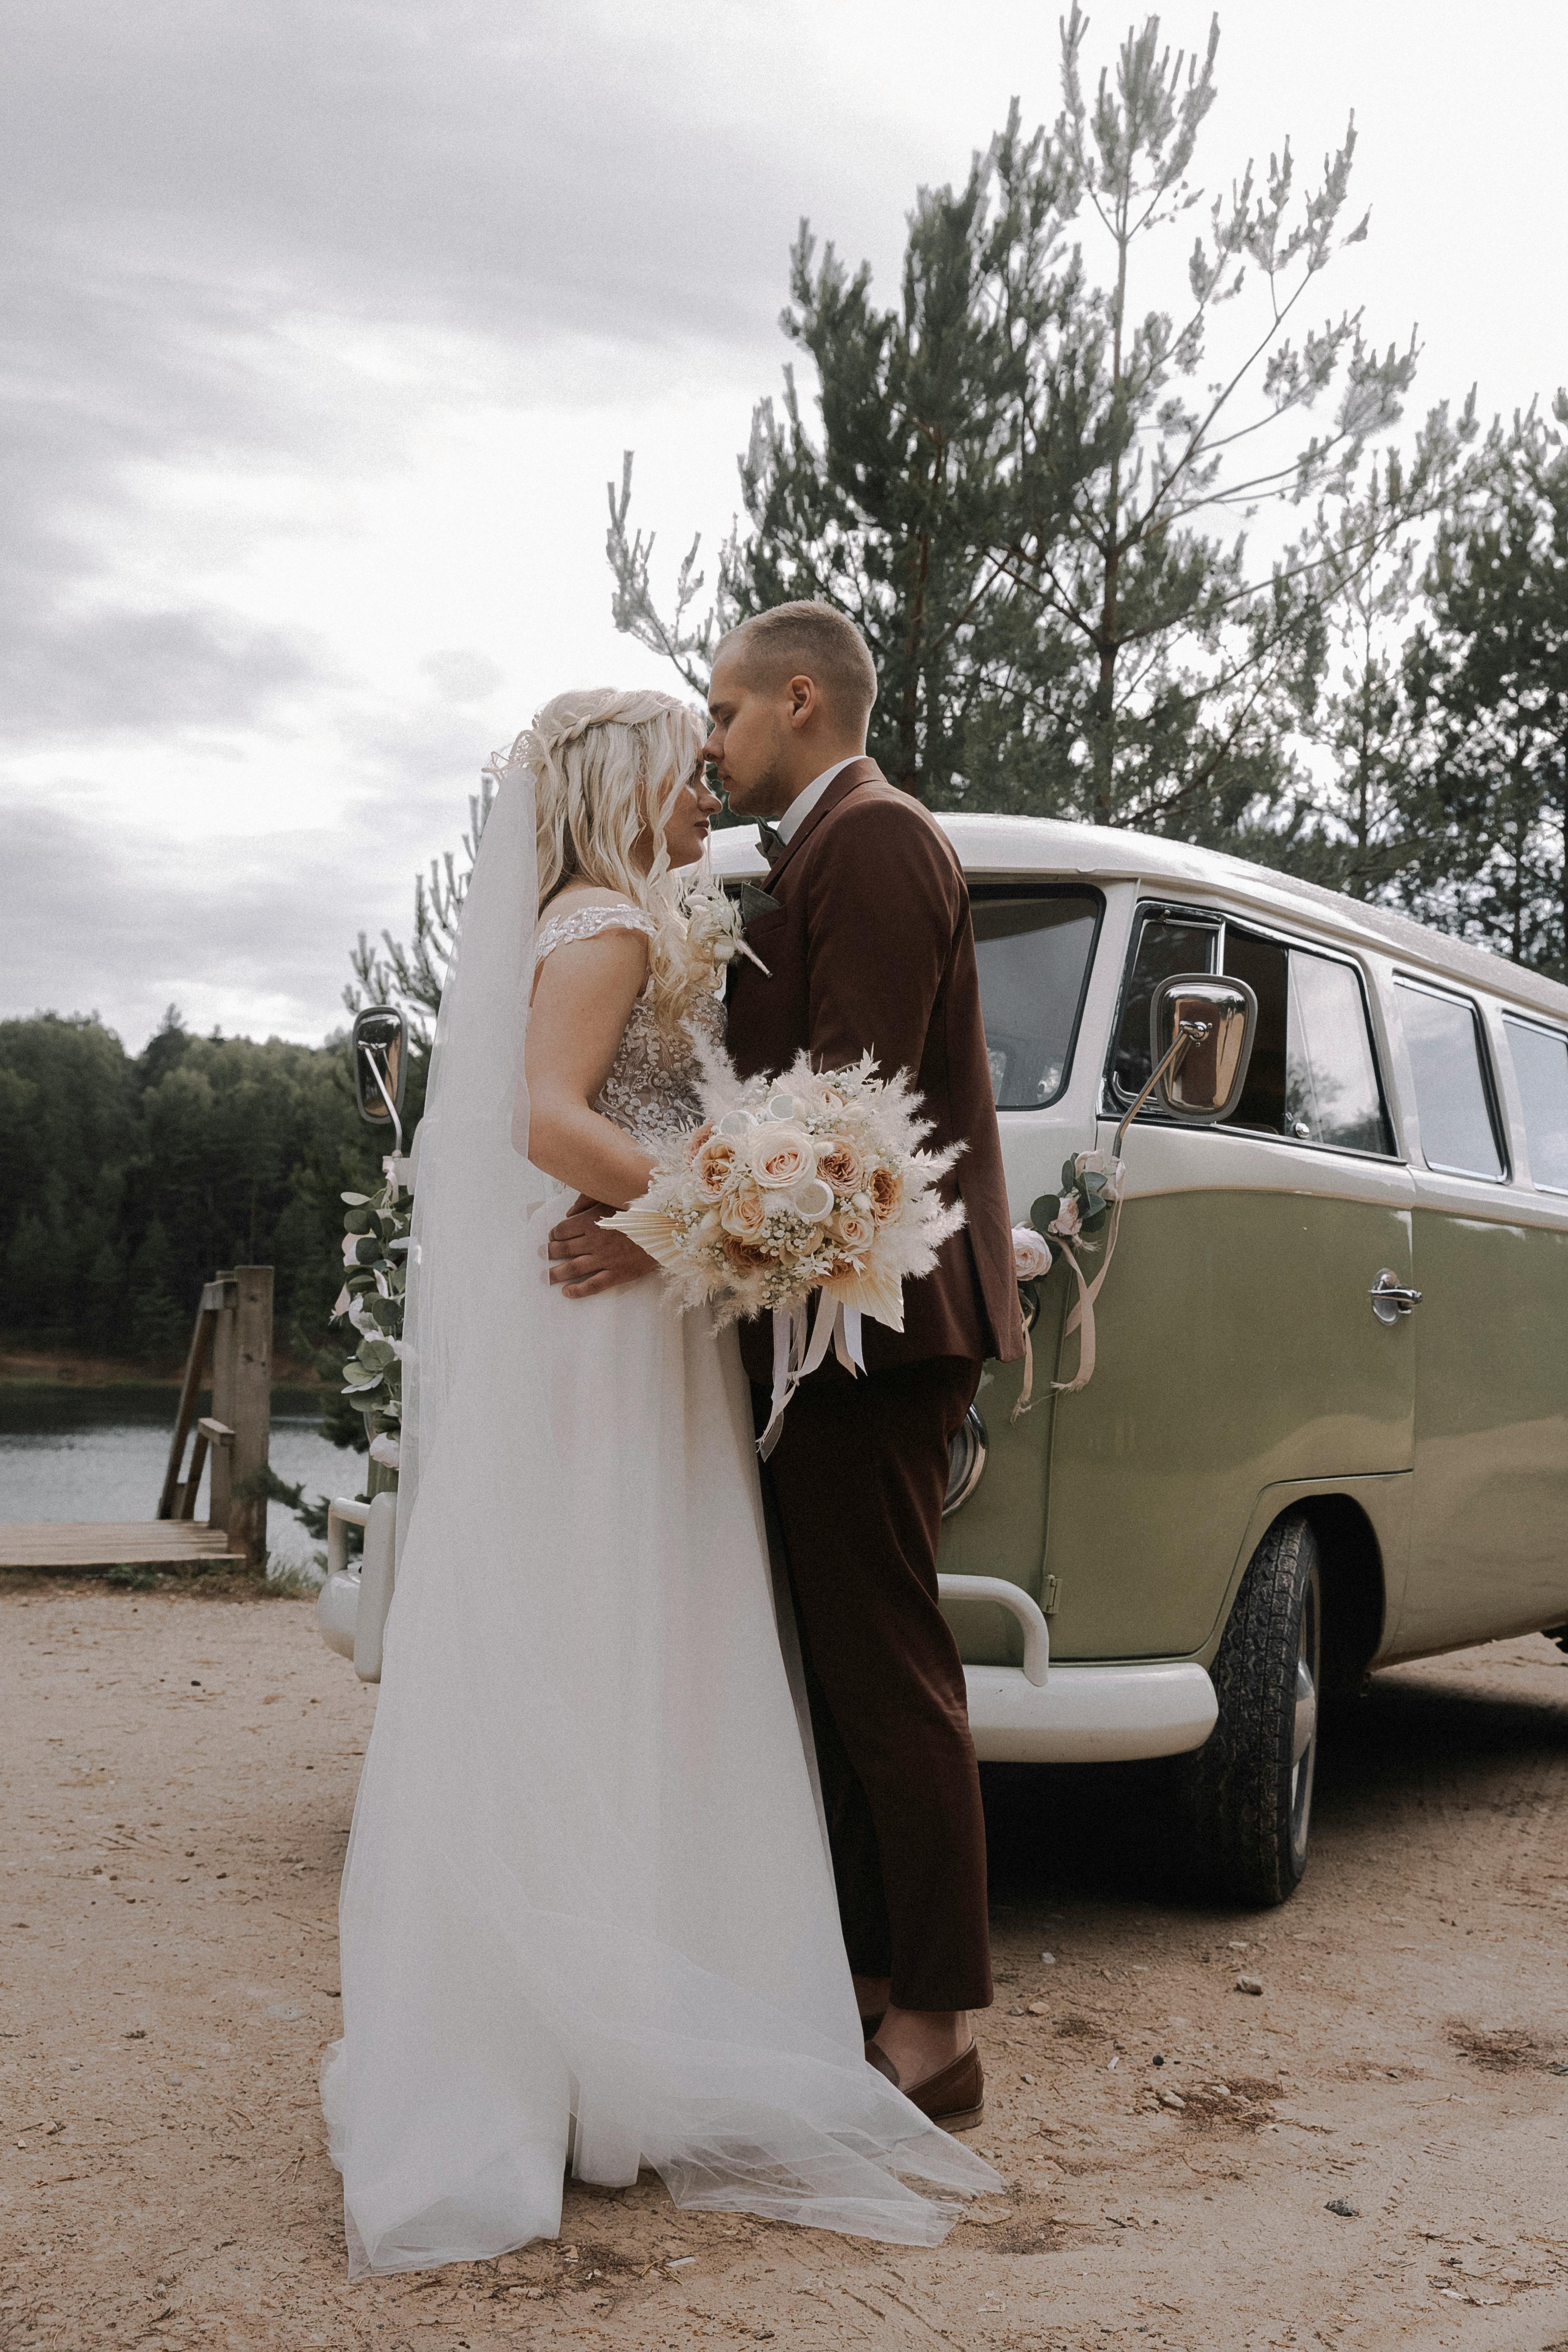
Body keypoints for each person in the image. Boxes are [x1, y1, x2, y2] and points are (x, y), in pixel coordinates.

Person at [322, 686, 997, 2279]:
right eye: (684, 772)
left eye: (715, 759)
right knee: (605, 1639)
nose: (706, 792)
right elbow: (548, 1117)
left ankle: (641, 2015)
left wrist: (701, 1213)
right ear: (621, 781)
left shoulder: (651, 914)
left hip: (654, 1330)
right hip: (608, 1349)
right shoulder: (604, 917)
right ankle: (568, 2050)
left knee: (657, 1656)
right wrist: (717, 1202)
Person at [550, 608, 1024, 2127]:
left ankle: (939, 2027)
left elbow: (847, 1119)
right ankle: (880, 1991)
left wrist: (664, 1228)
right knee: (844, 1662)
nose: (711, 742)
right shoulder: (815, 853)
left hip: (874, 1332)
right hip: (821, 1316)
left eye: (725, 713)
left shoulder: (875, 843)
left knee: (888, 1665)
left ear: (798, 702)